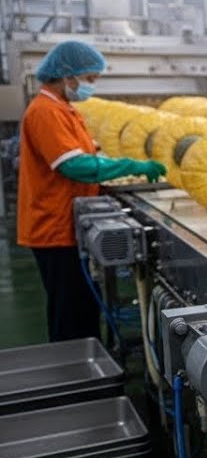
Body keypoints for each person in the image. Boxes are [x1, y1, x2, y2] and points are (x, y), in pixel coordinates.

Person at [17, 41, 166, 343]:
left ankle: (88, 365)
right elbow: (74, 165)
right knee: (69, 312)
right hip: (53, 226)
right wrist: (129, 165)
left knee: (83, 305)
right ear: (67, 75)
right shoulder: (45, 111)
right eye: (90, 78)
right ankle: (75, 373)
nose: (91, 85)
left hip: (69, 222)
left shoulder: (64, 109)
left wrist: (113, 164)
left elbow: (89, 153)